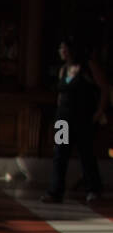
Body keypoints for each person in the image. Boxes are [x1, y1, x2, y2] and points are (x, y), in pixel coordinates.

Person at [41, 37, 108, 203]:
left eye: (63, 48)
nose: (61, 51)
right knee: (59, 154)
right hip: (63, 119)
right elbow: (61, 95)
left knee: (86, 153)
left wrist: (99, 111)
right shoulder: (63, 70)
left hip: (82, 118)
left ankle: (93, 189)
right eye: (60, 48)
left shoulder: (87, 66)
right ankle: (55, 191)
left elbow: (104, 88)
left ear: (71, 49)